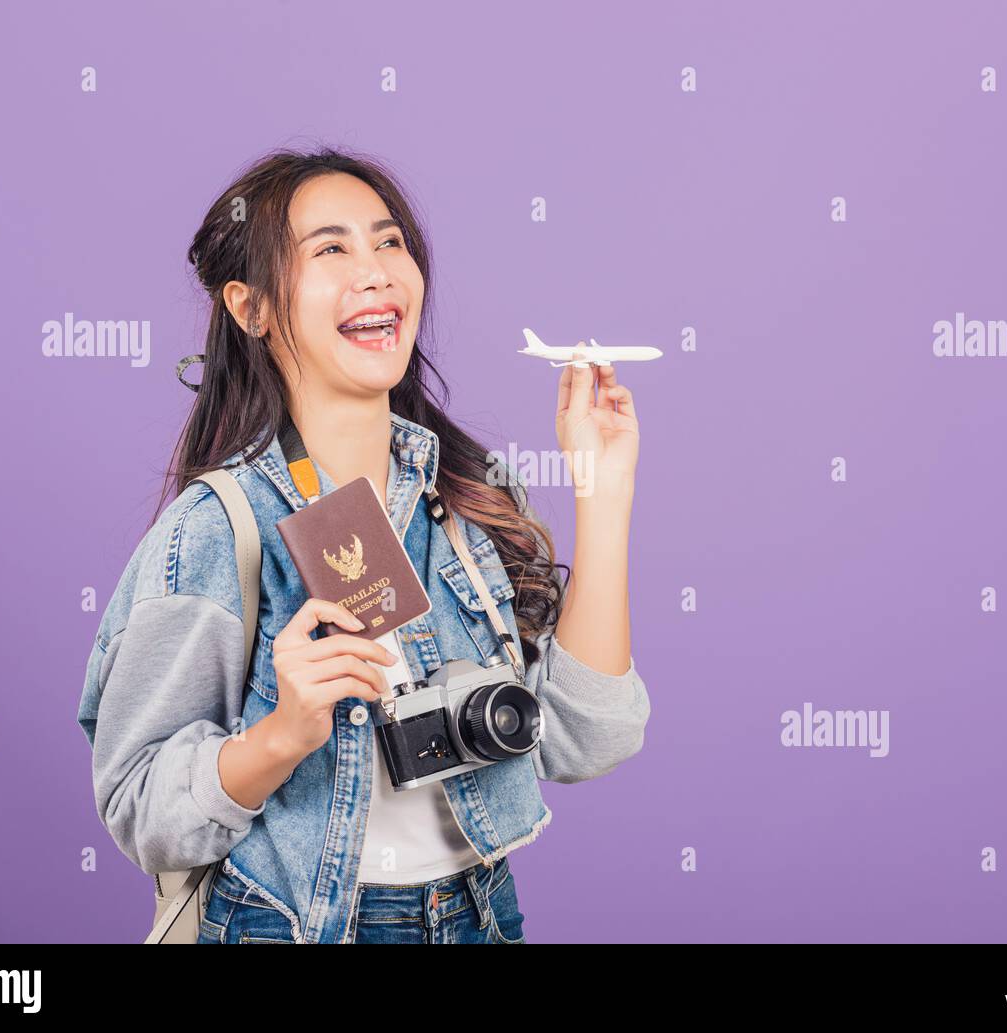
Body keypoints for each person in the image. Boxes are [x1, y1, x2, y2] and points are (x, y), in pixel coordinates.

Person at [76, 146, 651, 944]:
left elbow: (589, 737)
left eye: (389, 242)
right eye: (331, 249)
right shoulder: (219, 529)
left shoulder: (468, 501)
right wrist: (280, 734)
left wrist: (604, 486)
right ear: (252, 308)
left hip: (481, 916)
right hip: (288, 925)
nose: (377, 271)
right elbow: (143, 810)